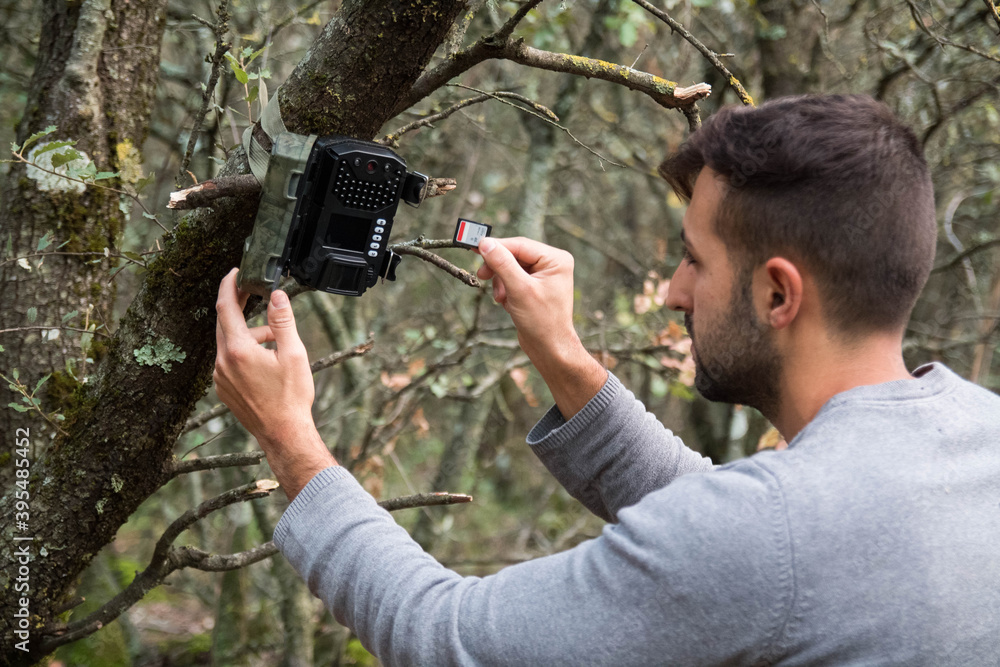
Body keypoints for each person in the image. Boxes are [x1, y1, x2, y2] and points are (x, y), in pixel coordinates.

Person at [213, 95, 1000, 665]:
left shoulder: (767, 537)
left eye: (694, 259)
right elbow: (741, 531)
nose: (673, 292)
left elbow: (448, 638)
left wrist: (290, 440)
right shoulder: (978, 435)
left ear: (778, 294)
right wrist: (564, 356)